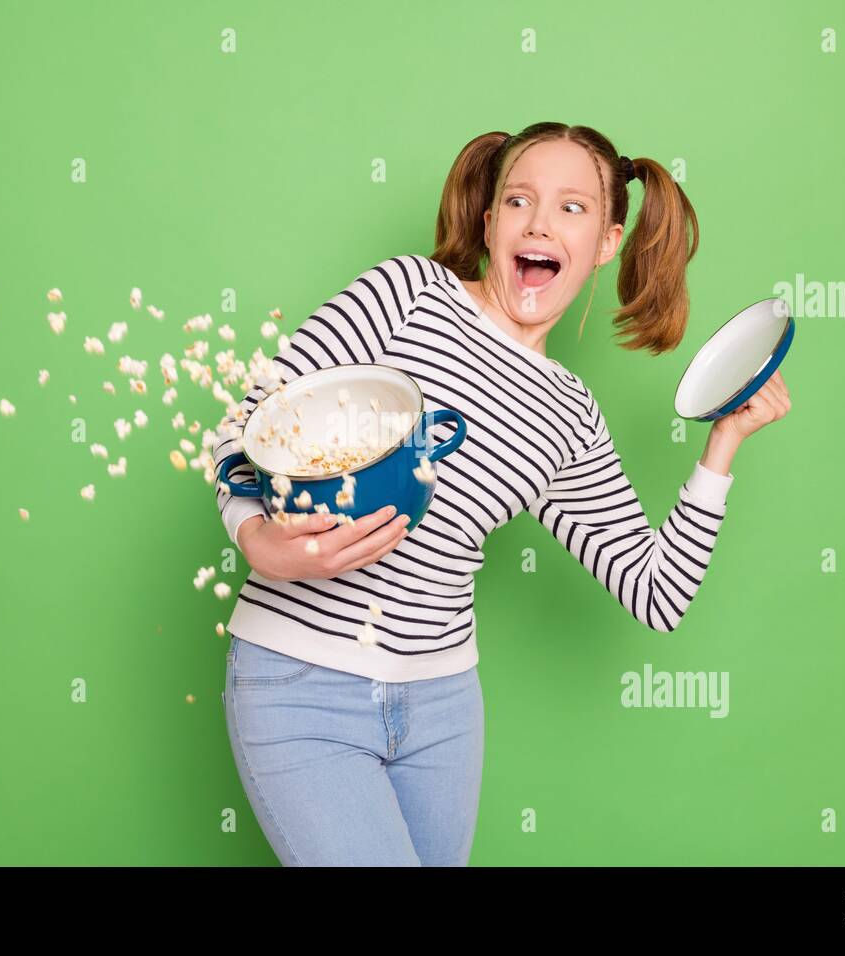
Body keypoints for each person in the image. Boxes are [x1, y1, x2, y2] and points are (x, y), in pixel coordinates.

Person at [212, 122, 792, 866]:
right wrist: (254, 536)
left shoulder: (569, 413)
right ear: (490, 225)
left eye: (572, 208)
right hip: (300, 685)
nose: (540, 222)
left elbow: (658, 592)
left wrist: (723, 447)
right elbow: (249, 418)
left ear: (608, 242)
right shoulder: (406, 294)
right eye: (519, 200)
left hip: (441, 713)